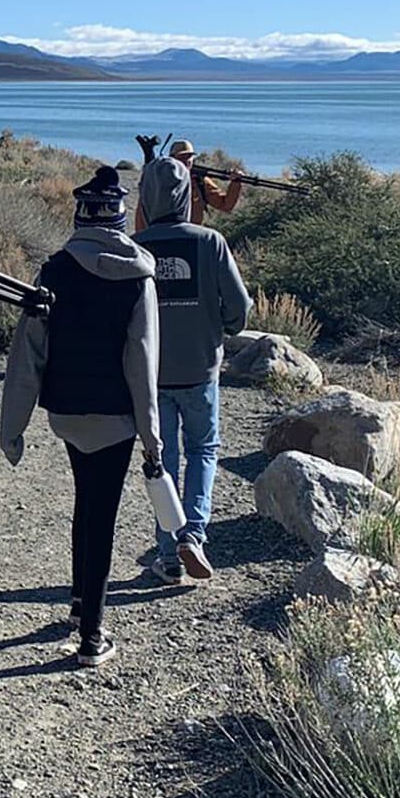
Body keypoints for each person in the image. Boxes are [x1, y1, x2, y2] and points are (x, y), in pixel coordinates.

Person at [0, 166, 162, 667]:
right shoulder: (139, 277)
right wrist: (153, 439)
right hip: (116, 417)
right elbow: (142, 362)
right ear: (118, 216)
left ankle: (77, 604)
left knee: (84, 502)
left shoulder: (53, 271)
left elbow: (28, 353)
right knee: (103, 513)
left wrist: (14, 426)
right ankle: (92, 634)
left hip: (67, 413)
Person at [132, 157, 252, 584]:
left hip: (152, 375)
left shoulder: (136, 247)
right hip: (201, 369)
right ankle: (194, 536)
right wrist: (219, 327)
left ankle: (167, 554)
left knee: (161, 461)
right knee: (203, 450)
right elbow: (239, 310)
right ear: (186, 196)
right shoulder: (210, 242)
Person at [167, 138, 244, 220]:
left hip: (193, 231)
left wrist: (235, 183)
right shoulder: (161, 179)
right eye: (182, 157)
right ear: (172, 159)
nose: (186, 160)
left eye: (189, 156)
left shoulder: (199, 181)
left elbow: (225, 205)